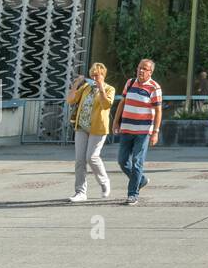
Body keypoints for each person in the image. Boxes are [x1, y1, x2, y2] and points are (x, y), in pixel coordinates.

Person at [64, 63, 115, 202]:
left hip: (98, 128)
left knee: (91, 157)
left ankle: (104, 182)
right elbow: (70, 100)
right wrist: (76, 84)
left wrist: (101, 88)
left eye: (96, 75)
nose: (94, 77)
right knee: (80, 160)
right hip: (82, 126)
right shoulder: (86, 87)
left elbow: (106, 105)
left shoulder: (109, 88)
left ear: (103, 75)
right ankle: (80, 192)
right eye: (92, 74)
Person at [115, 58, 162, 205]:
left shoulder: (154, 88)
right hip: (127, 128)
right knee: (122, 161)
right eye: (139, 67)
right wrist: (116, 122)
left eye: (145, 69)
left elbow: (158, 111)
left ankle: (132, 194)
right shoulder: (129, 83)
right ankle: (141, 180)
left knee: (137, 162)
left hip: (143, 131)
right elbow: (122, 103)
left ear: (151, 72)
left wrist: (155, 131)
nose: (141, 71)